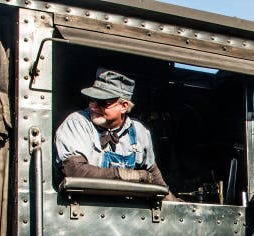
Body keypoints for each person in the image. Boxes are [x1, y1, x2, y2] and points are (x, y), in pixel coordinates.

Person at [55, 68, 176, 198]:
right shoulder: (77, 123)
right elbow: (75, 170)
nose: (93, 106)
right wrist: (124, 175)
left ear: (124, 106)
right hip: (83, 208)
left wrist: (177, 205)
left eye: (102, 102)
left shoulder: (139, 131)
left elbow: (155, 178)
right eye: (91, 99)